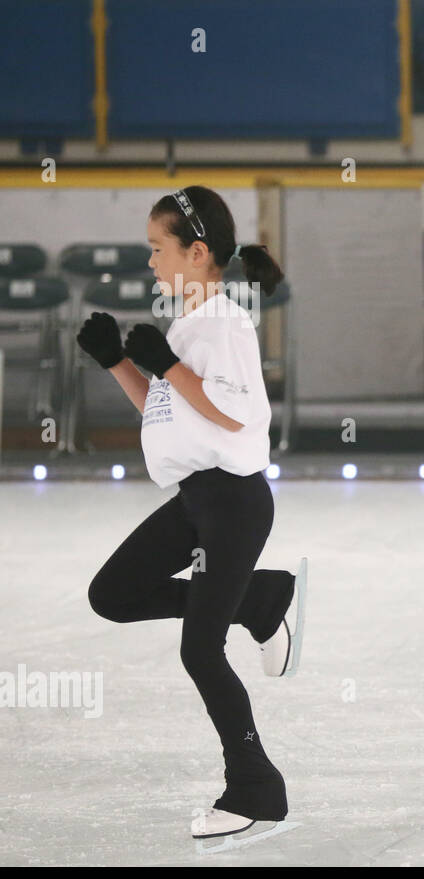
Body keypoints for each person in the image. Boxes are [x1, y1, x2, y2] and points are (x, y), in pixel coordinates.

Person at [77, 186, 307, 839]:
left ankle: (256, 789)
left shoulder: (227, 322)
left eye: (157, 249)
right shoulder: (187, 326)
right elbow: (168, 405)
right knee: (114, 593)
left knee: (200, 649)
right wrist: (118, 361)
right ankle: (258, 601)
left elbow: (235, 412)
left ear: (196, 252)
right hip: (194, 501)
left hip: (233, 502)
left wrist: (169, 365)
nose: (150, 263)